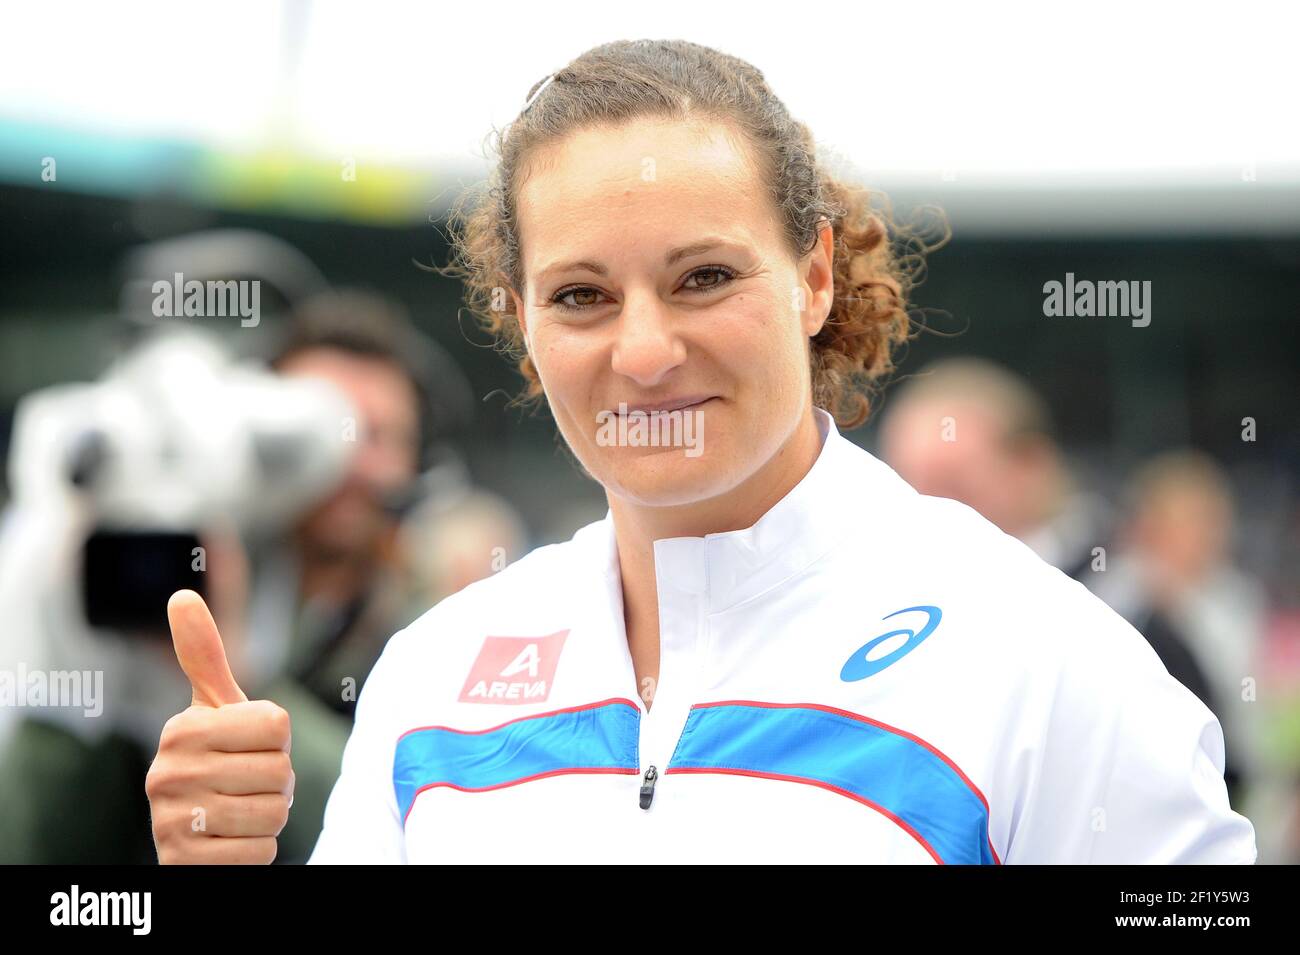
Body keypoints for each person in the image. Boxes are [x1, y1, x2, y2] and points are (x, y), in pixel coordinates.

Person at [144, 39, 1256, 864]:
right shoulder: (433, 678)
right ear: (518, 319)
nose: (642, 351)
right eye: (581, 295)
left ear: (814, 276)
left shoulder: (1044, 660)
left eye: (703, 278)